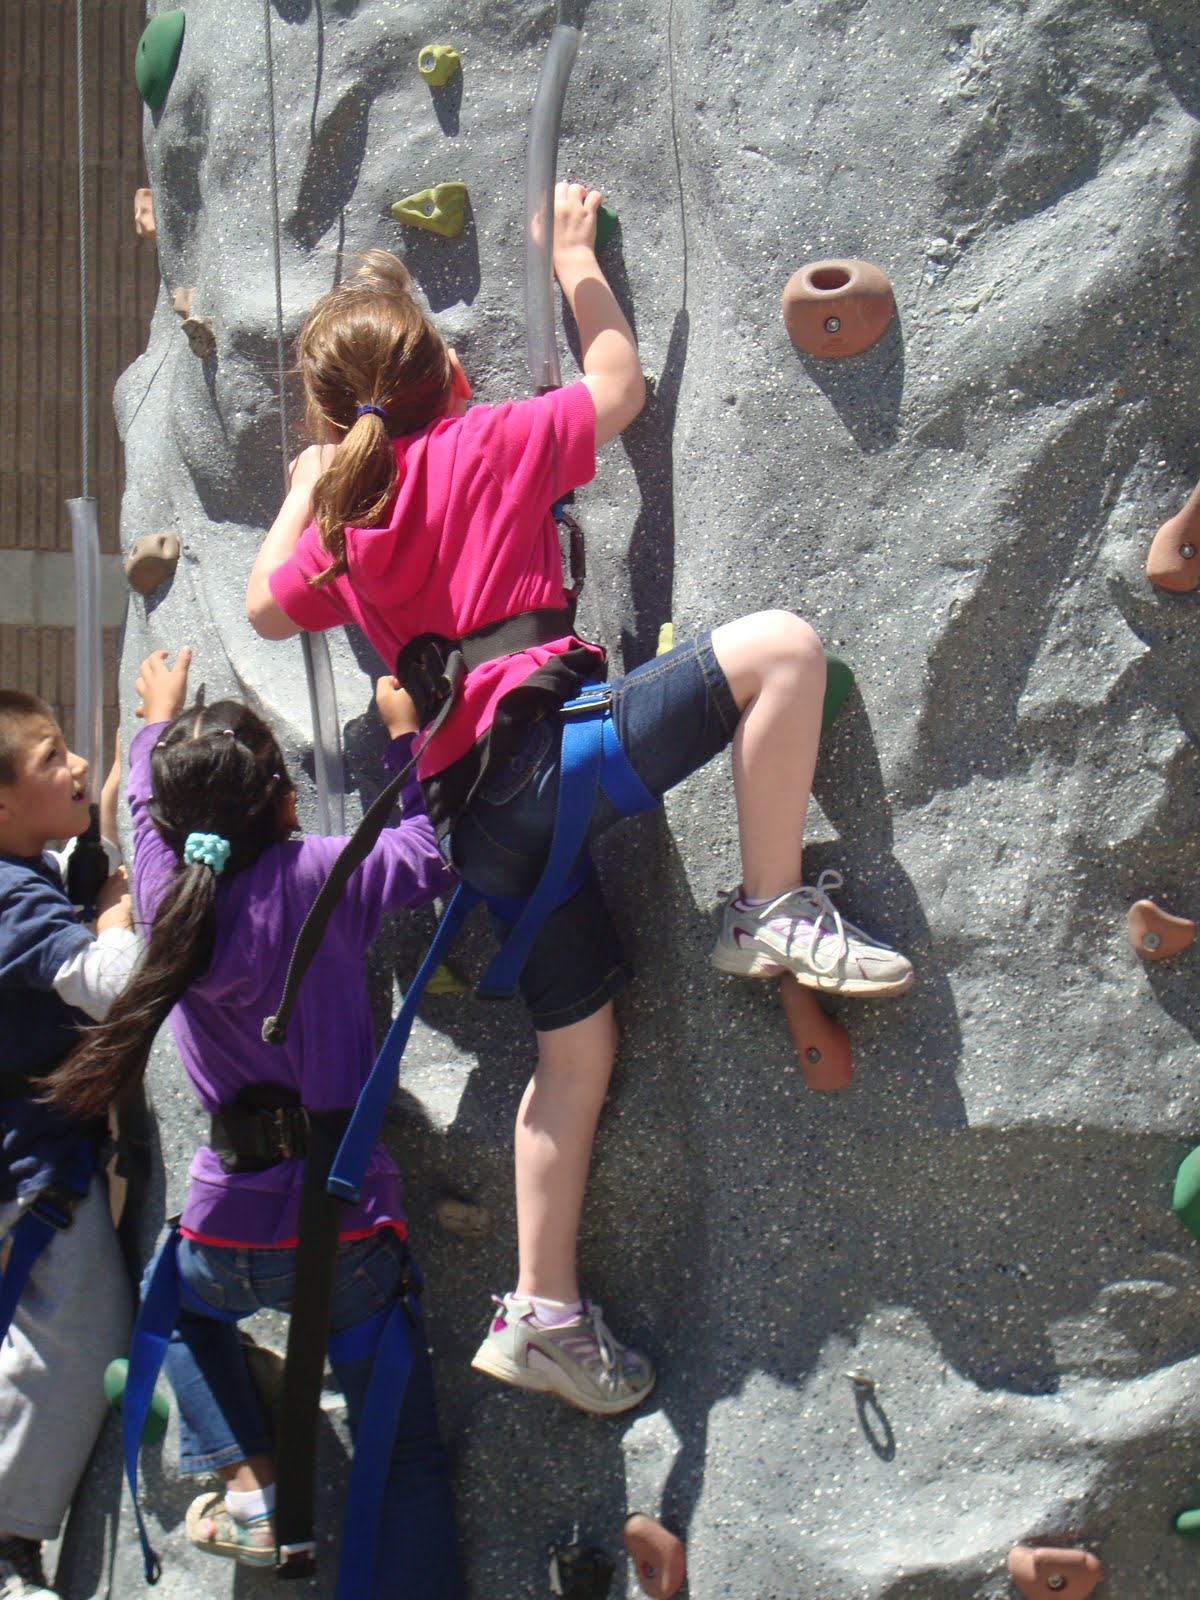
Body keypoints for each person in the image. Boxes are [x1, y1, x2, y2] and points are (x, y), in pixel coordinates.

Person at [244, 180, 914, 1418]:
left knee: (575, 1051)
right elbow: (619, 388)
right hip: (548, 759)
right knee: (781, 653)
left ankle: (544, 1304)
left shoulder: (350, 521)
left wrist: (306, 485)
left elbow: (266, 603)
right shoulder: (487, 439)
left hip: (472, 830)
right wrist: (575, 265)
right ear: (449, 370)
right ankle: (768, 903)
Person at [42, 649, 463, 1596]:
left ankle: (254, 1492)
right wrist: (406, 734)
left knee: (180, 1311)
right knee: (405, 1461)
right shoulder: (320, 874)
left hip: (225, 1228)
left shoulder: (164, 895)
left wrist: (155, 723)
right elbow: (429, 855)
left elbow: (148, 818)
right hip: (345, 1223)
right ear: (281, 796)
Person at [0, 695, 139, 1600]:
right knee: (75, 1336)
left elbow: (67, 874)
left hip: (35, 1158)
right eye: (53, 757)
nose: (78, 766)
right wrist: (126, 905)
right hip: (35, 1173)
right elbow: (107, 981)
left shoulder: (22, 873)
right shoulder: (9, 898)